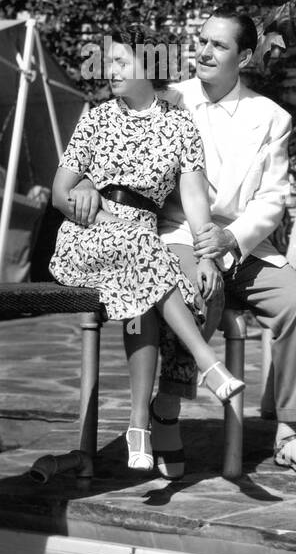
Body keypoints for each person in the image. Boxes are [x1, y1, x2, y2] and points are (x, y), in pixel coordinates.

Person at [49, 26, 245, 471]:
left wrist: (207, 252)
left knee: (147, 283)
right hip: (86, 237)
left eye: (121, 61)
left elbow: (195, 200)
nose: (110, 69)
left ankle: (140, 421)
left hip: (140, 245)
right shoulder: (95, 118)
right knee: (143, 249)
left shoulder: (179, 126)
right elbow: (59, 193)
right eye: (108, 61)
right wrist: (99, 212)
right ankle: (207, 362)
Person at [151, 8, 296, 482]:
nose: (204, 52)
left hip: (245, 244)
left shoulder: (270, 117)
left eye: (219, 45)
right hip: (178, 237)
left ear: (245, 56)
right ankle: (165, 414)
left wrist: (232, 235)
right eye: (201, 41)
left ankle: (290, 435)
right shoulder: (166, 100)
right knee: (199, 295)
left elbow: (274, 199)